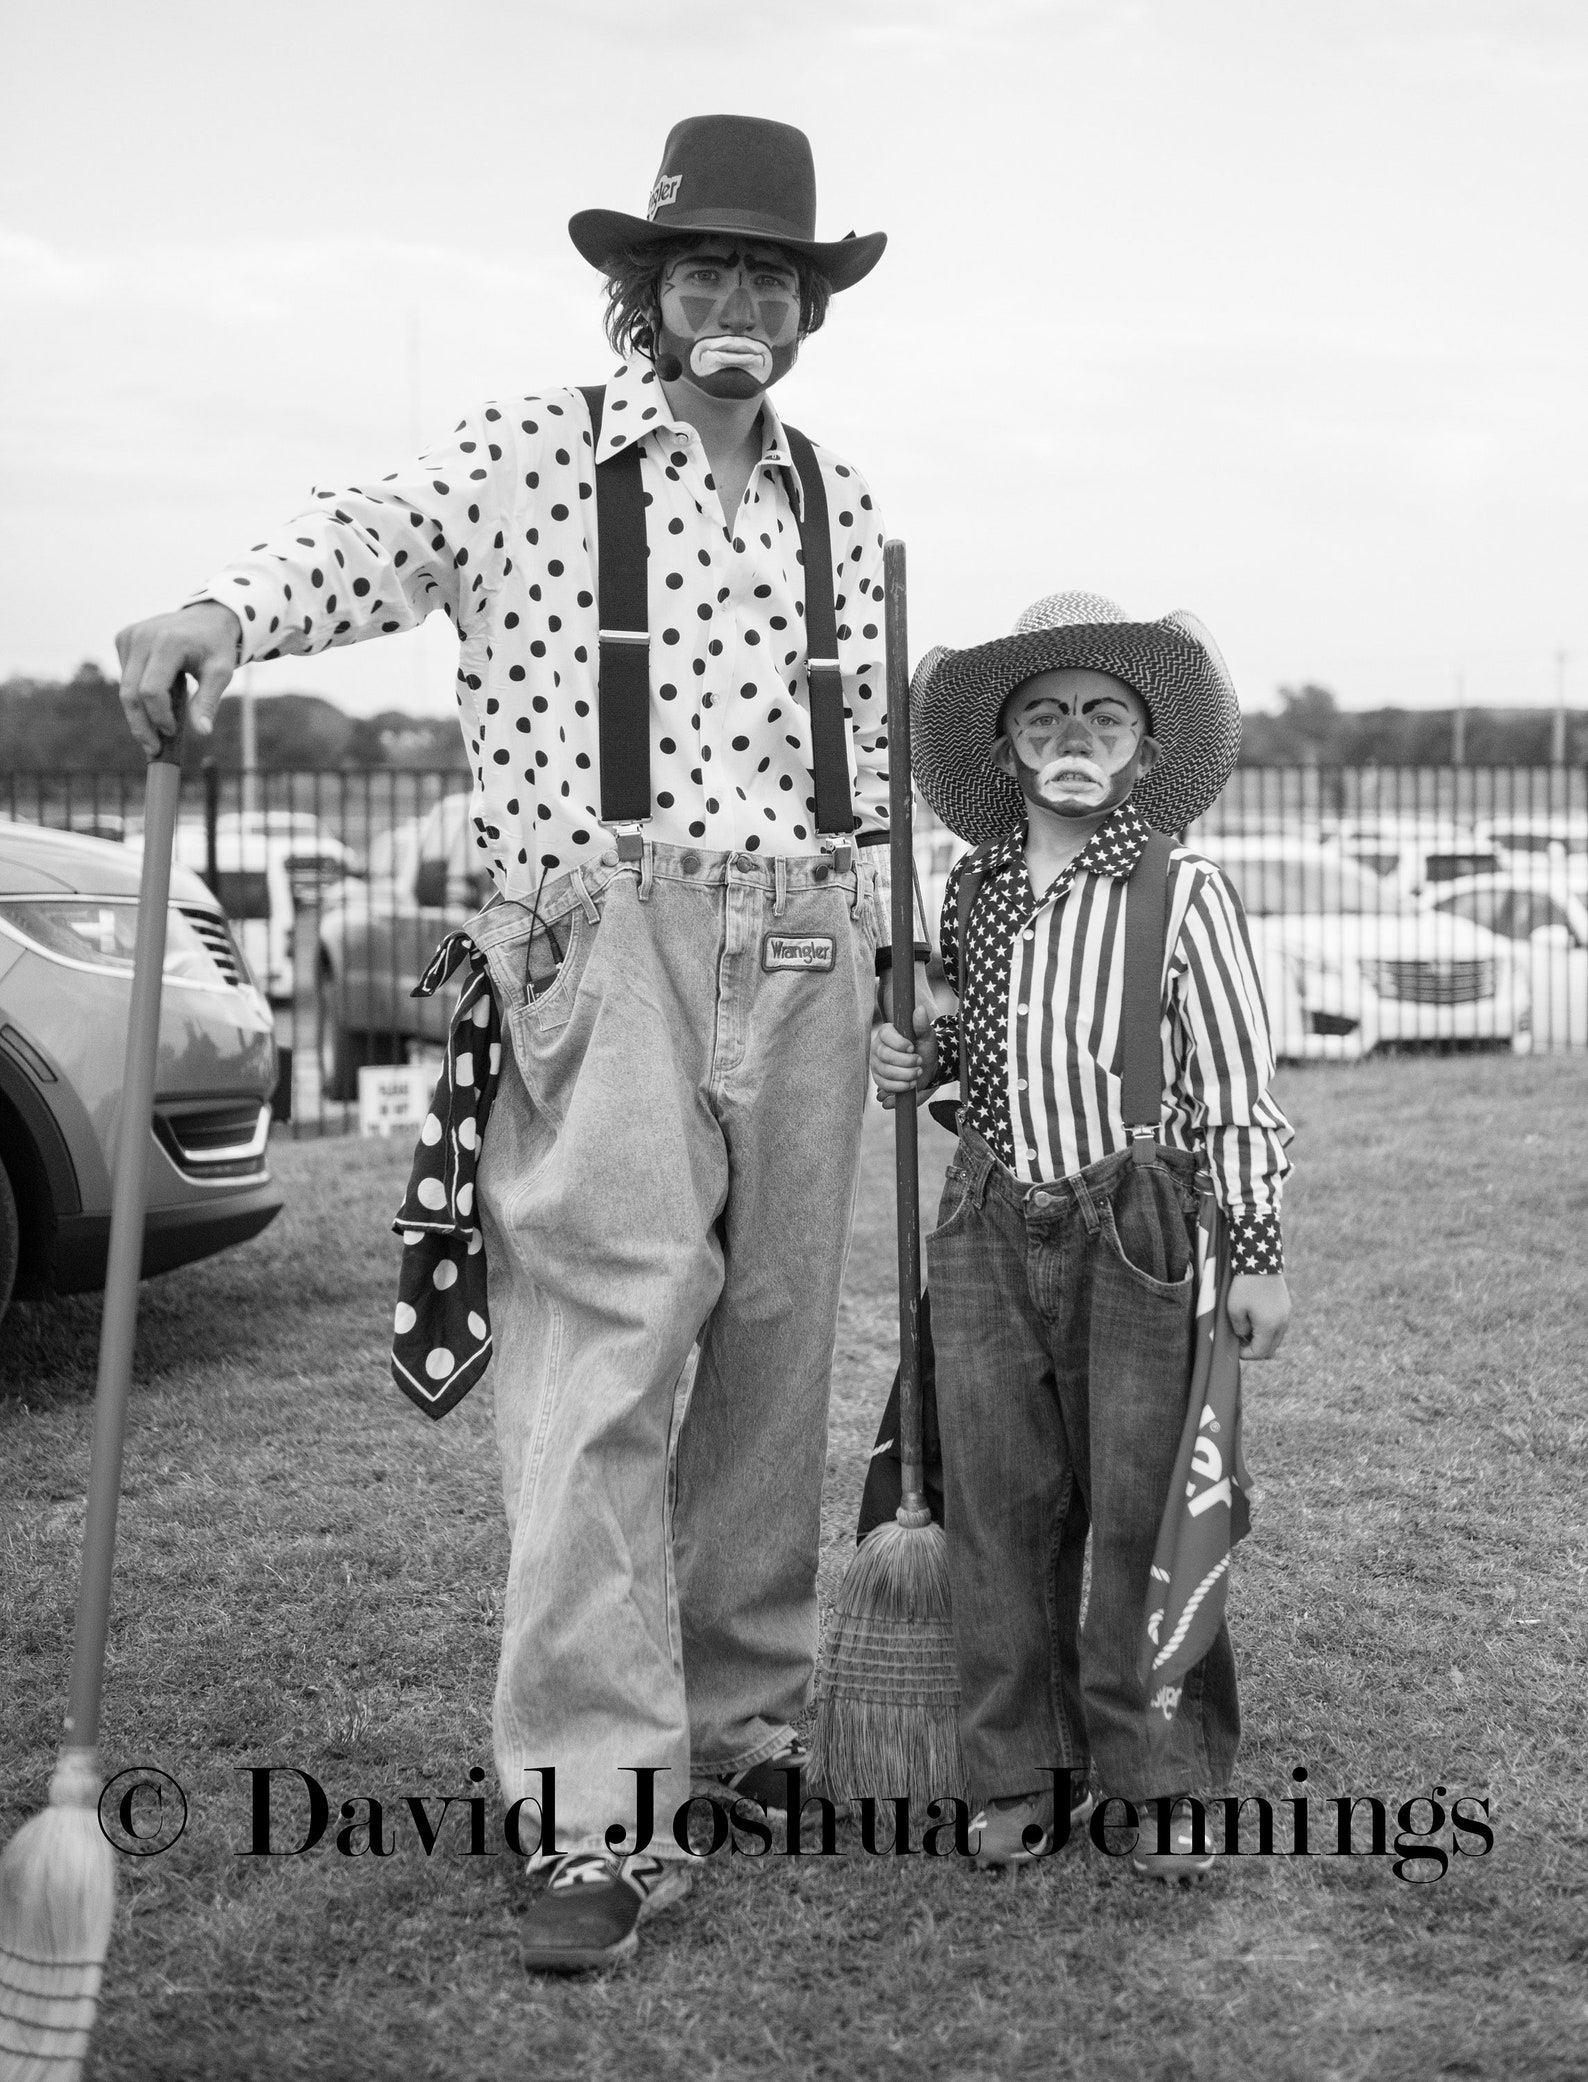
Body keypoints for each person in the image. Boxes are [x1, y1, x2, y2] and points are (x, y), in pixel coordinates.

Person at [115, 114, 892, 1968]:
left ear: (803, 312)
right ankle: (593, 1809)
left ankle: (740, 1716)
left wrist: (900, 941)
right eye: (699, 267)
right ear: (642, 290)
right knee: (606, 1351)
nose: (734, 300)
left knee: (778, 1346)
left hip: (811, 932)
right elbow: (368, 533)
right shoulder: (536, 447)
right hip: (596, 932)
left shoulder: (841, 503)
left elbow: (844, 747)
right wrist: (228, 605)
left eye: (768, 276)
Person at [871, 591, 1293, 1882]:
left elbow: (1232, 1083)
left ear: (1143, 751)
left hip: (1141, 1221)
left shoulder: (1185, 890)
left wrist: (1260, 1250)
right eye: (1044, 713)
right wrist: (912, 1055)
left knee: (1142, 1503)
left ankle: (1156, 1772)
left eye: (1104, 715)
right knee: (1000, 1502)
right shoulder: (974, 887)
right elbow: (960, 1054)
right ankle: (1014, 1766)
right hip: (990, 1213)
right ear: (1004, 750)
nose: (1074, 733)